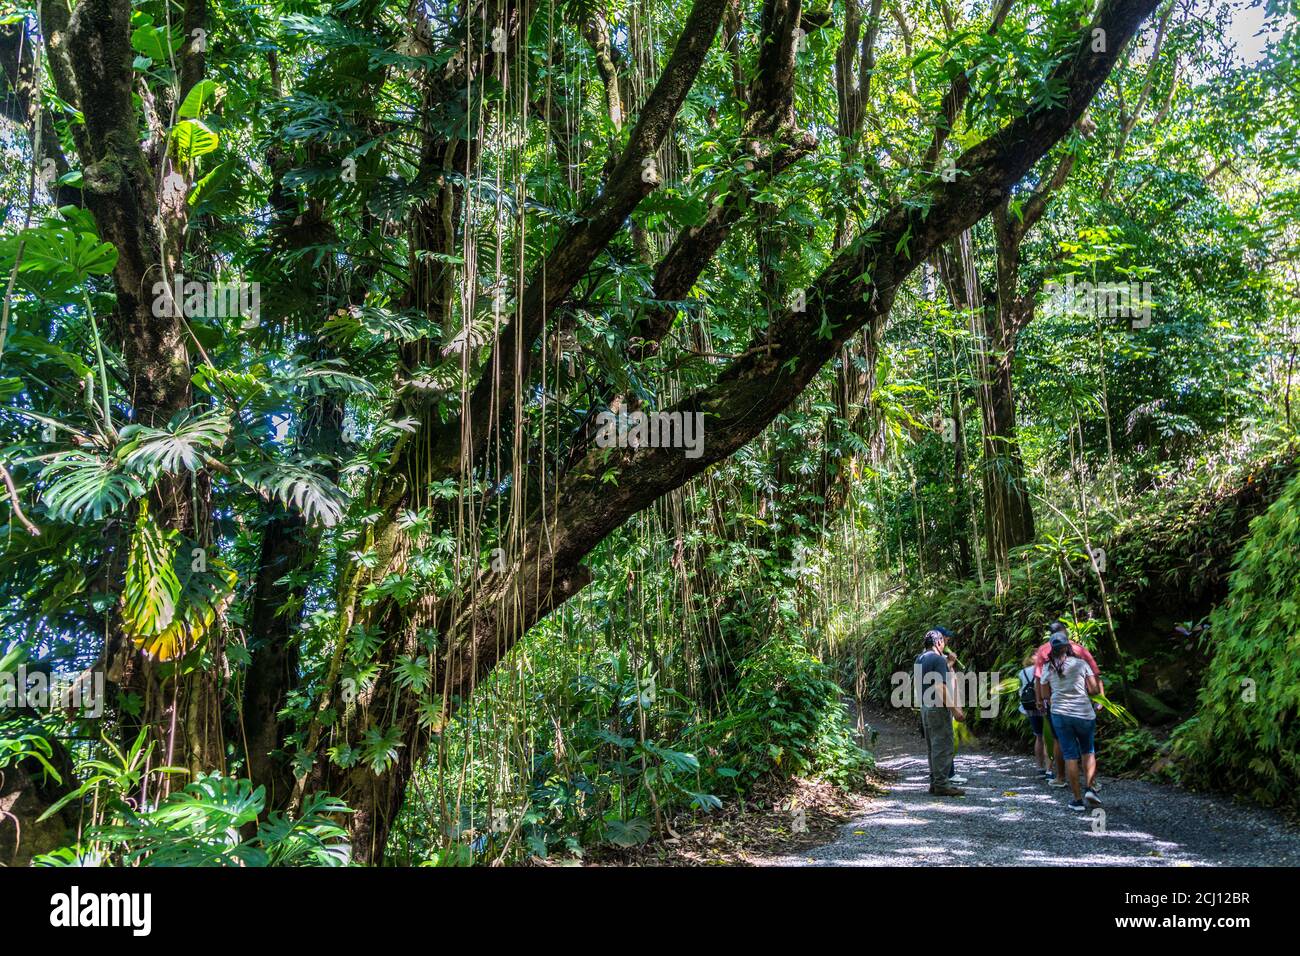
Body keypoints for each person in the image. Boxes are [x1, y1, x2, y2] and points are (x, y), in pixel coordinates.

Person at [1033, 621, 1103, 790]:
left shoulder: (1044, 652)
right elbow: (1095, 675)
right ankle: (1091, 784)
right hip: (1083, 709)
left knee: (1061, 743)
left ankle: (1061, 777)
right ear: (1066, 634)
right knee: (1088, 749)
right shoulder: (1080, 652)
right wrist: (1101, 698)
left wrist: (1041, 701)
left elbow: (1038, 680)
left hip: (1058, 709)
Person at [918, 629, 966, 796]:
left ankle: (935, 782)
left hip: (925, 707)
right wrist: (955, 710)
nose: (945, 645)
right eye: (943, 642)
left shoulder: (921, 659)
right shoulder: (937, 659)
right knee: (943, 745)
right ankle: (942, 784)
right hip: (938, 708)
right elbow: (940, 687)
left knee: (932, 746)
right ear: (938, 642)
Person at [1016, 650, 1049, 777]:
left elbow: (1020, 689)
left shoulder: (1022, 672)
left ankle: (1040, 767)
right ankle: (1049, 769)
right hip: (1043, 705)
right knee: (1047, 737)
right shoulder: (1043, 669)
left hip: (1029, 706)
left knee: (1038, 736)